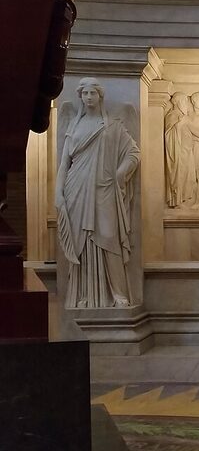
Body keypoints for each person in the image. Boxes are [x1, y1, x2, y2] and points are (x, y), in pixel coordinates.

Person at [56, 77, 139, 308]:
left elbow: (133, 153)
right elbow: (65, 163)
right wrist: (58, 192)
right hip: (76, 188)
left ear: (100, 96)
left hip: (104, 188)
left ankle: (117, 292)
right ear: (80, 97)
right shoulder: (74, 125)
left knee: (108, 237)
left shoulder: (112, 126)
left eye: (93, 93)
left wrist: (121, 173)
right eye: (85, 93)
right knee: (81, 242)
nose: (89, 97)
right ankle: (84, 295)